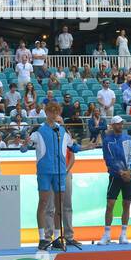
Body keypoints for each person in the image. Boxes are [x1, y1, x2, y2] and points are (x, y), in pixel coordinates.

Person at [24, 102, 80, 251]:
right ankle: (42, 238)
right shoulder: (39, 130)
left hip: (60, 172)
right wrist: (23, 144)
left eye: (56, 112)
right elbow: (25, 148)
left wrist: (86, 147)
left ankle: (56, 237)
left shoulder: (62, 131)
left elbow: (74, 147)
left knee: (59, 206)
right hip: (44, 171)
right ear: (46, 112)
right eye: (51, 111)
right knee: (43, 203)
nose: (53, 114)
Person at [101, 116, 131, 245]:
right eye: (117, 124)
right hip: (115, 176)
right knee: (110, 204)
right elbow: (108, 159)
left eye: (121, 123)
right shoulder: (107, 141)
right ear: (112, 125)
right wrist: (120, 172)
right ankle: (107, 234)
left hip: (128, 175)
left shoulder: (128, 139)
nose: (120, 126)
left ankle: (123, 234)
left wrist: (129, 171)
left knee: (127, 204)